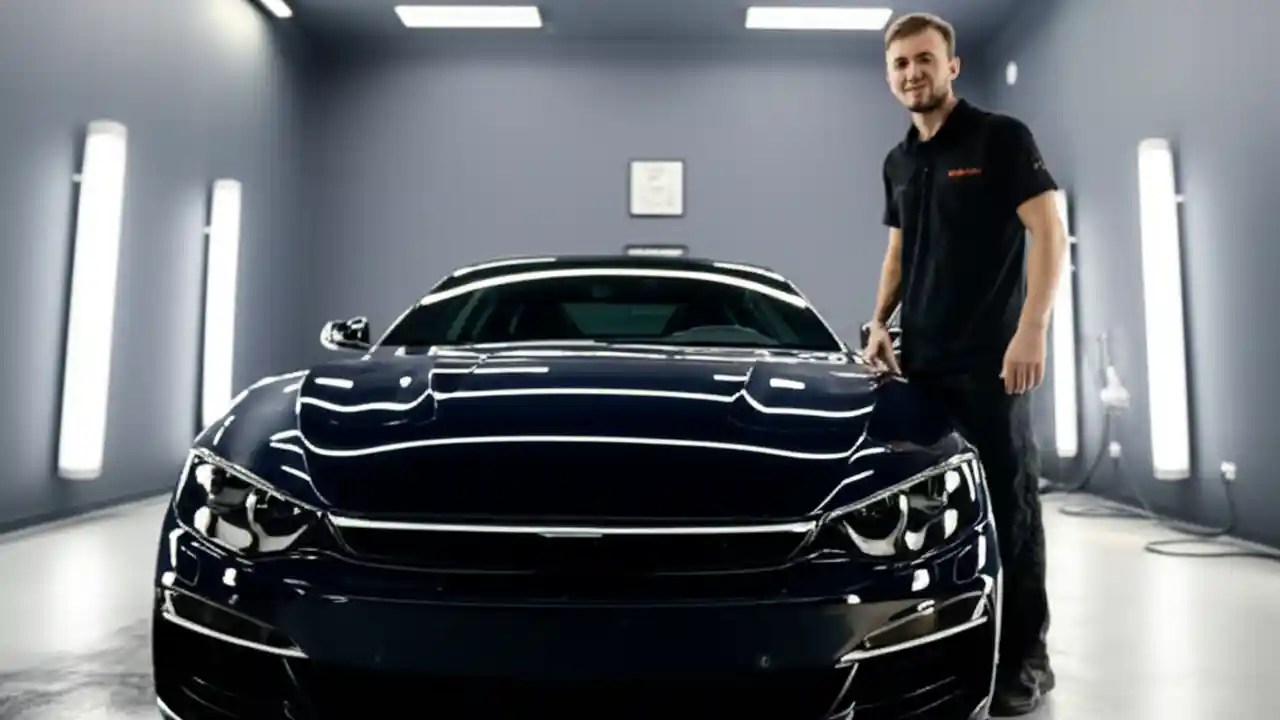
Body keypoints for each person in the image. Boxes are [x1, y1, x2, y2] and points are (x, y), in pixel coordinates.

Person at [862, 12, 1069, 717]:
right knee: (931, 514)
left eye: (925, 59)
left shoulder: (1000, 138)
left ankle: (1025, 660)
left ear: (952, 66)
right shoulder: (899, 161)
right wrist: (879, 323)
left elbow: (1050, 229)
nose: (913, 72)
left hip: (993, 364)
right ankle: (942, 645)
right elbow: (898, 254)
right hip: (922, 365)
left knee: (1009, 510)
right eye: (901, 65)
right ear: (890, 78)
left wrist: (1031, 329)